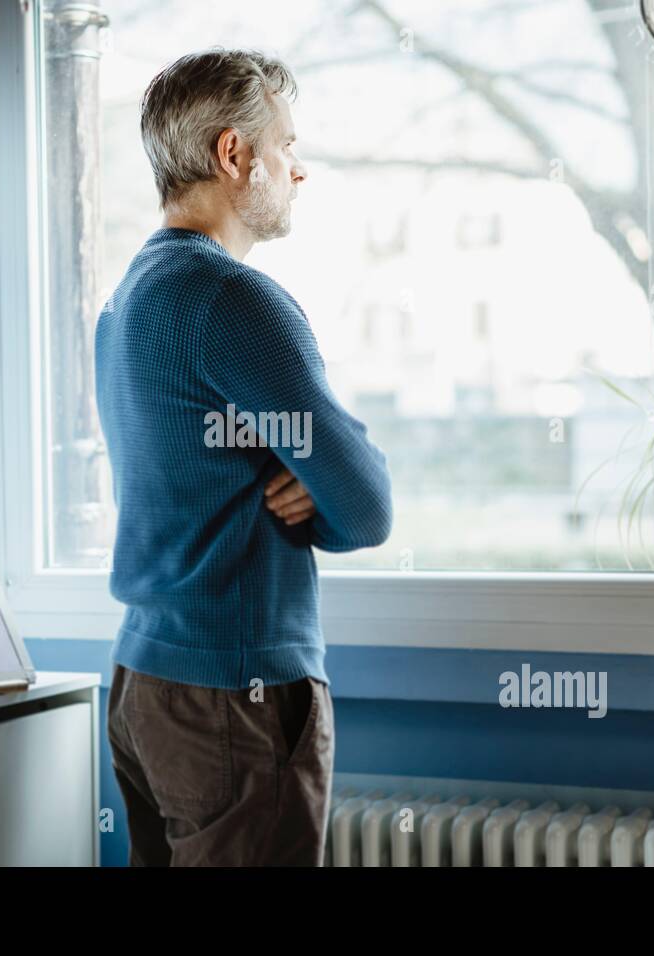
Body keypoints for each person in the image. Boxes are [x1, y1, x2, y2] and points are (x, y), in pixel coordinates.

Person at [95, 48, 393, 866]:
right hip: (233, 693)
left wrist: (314, 482)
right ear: (235, 155)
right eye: (287, 145)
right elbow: (367, 507)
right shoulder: (233, 299)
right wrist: (324, 491)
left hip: (144, 683)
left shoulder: (126, 304)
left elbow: (192, 478)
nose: (298, 171)